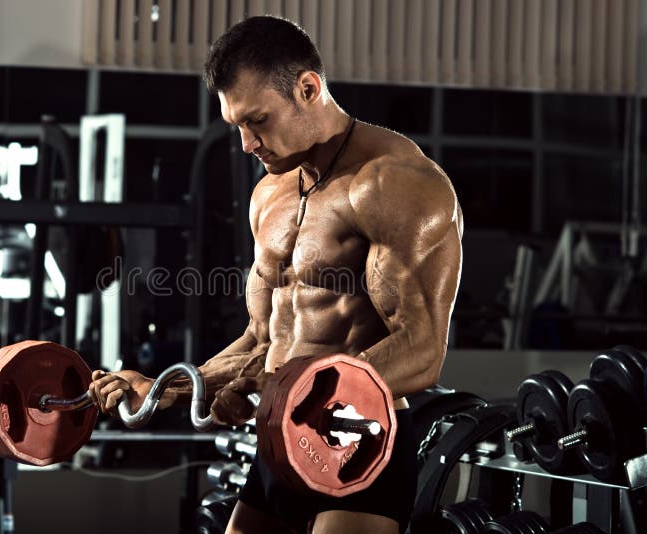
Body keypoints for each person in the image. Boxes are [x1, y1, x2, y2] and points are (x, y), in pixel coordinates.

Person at [89, 15, 463, 534]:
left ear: (308, 88)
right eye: (236, 125)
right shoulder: (271, 195)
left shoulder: (395, 185)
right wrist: (164, 389)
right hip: (279, 441)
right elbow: (261, 339)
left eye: (258, 121)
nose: (246, 144)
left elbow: (422, 348)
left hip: (355, 439)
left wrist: (287, 393)